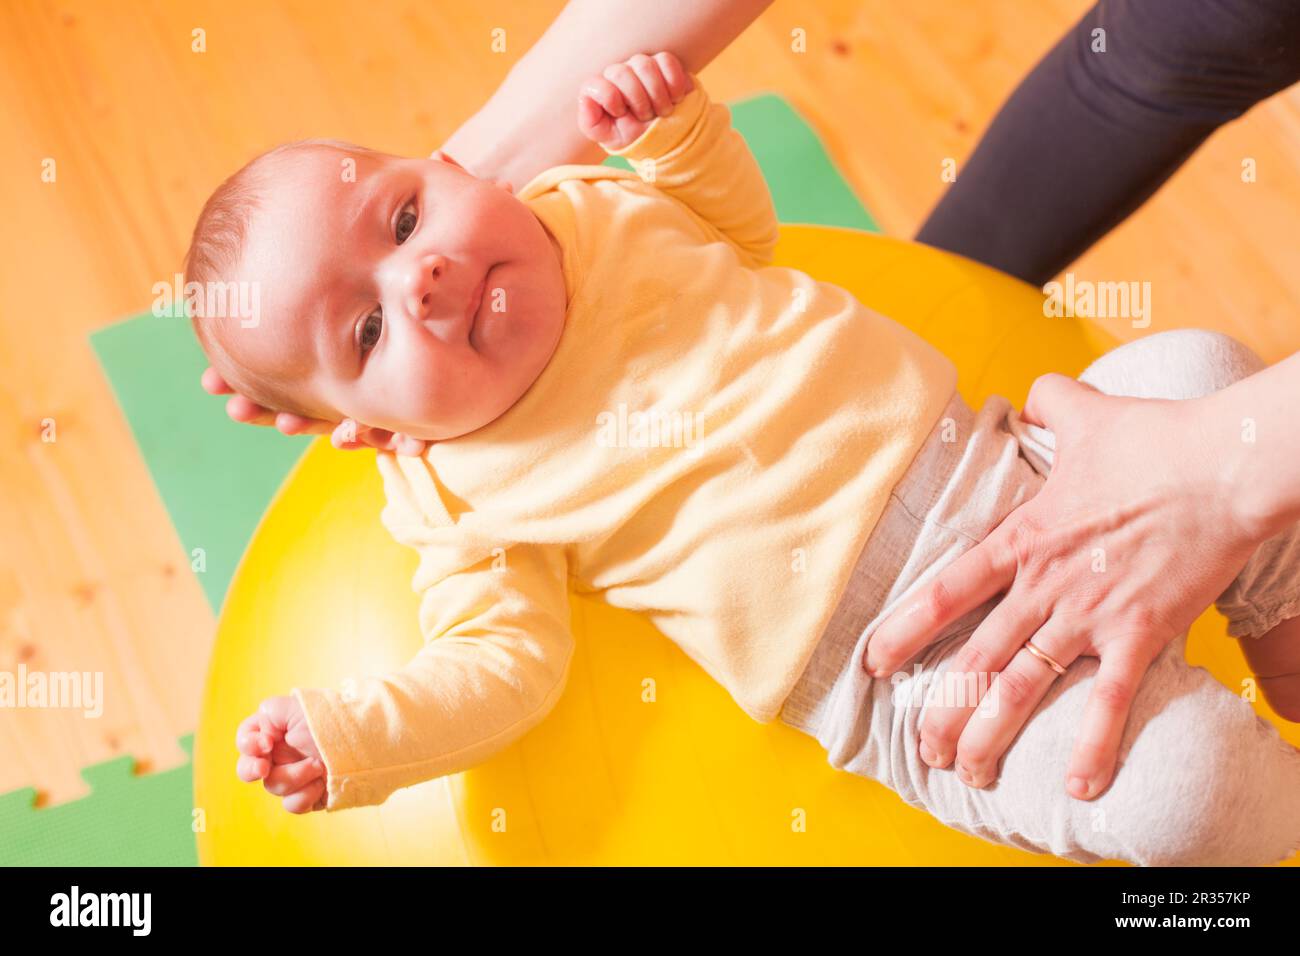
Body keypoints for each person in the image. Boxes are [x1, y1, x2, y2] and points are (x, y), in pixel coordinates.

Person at [203, 0, 1300, 805]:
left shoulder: (580, 206)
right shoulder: (455, 489)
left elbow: (738, 234)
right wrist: (351, 735)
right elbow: (499, 665)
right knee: (1184, 787)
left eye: (402, 220)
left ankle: (1279, 631)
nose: (422, 279)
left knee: (1200, 366)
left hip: (1004, 462)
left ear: (446, 169)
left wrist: (673, 133)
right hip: (901, 666)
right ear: (367, 427)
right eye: (366, 331)